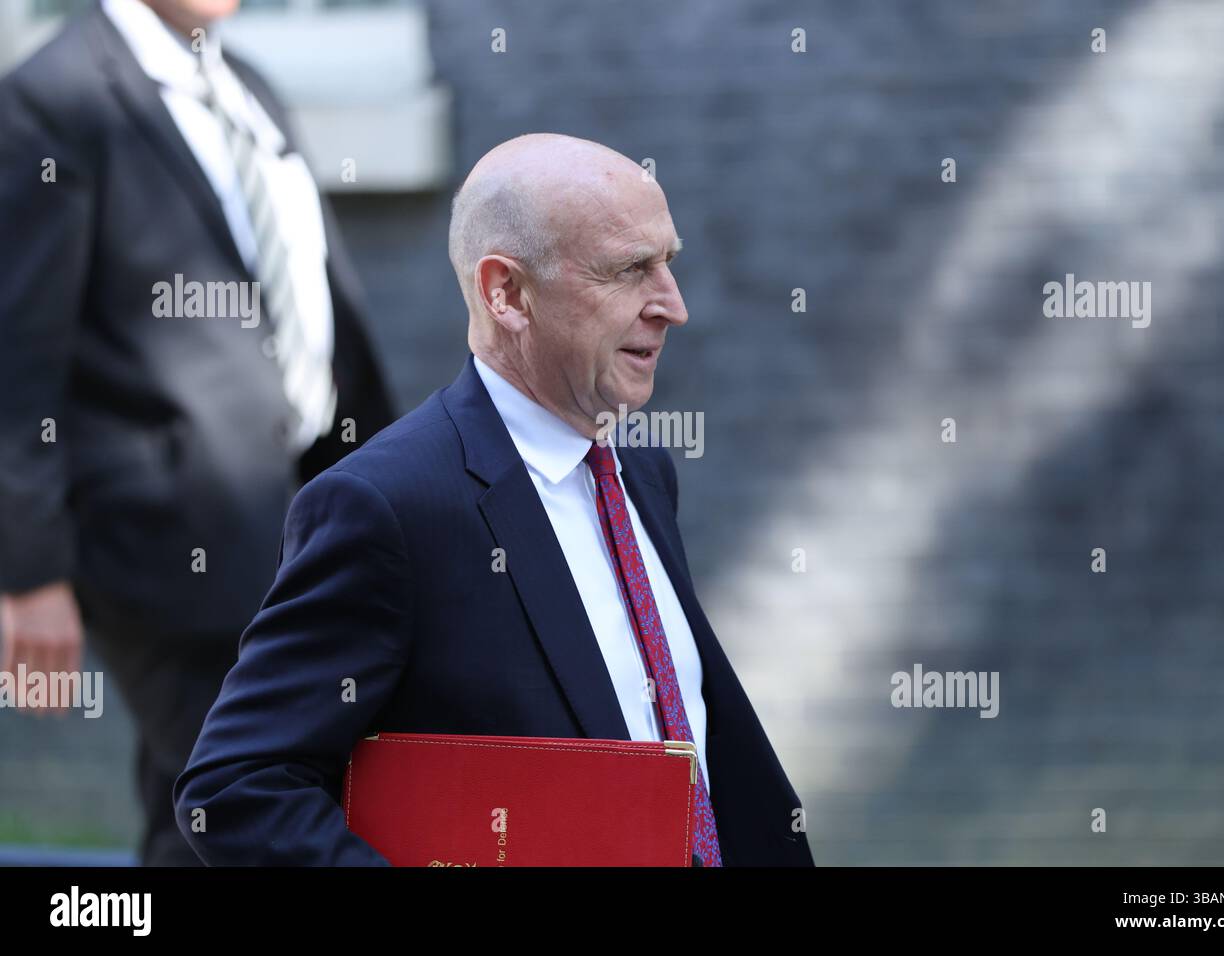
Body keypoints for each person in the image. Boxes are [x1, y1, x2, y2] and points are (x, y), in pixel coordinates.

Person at [175, 133, 814, 866]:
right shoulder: (386, 506)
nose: (673, 305)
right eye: (630, 270)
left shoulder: (639, 471)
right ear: (505, 292)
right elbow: (234, 787)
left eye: (668, 261)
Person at [0, 0, 393, 865]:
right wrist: (28, 574)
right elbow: (16, 352)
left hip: (301, 506)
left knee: (206, 805)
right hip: (163, 534)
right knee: (237, 797)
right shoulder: (49, 98)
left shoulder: (250, 89)